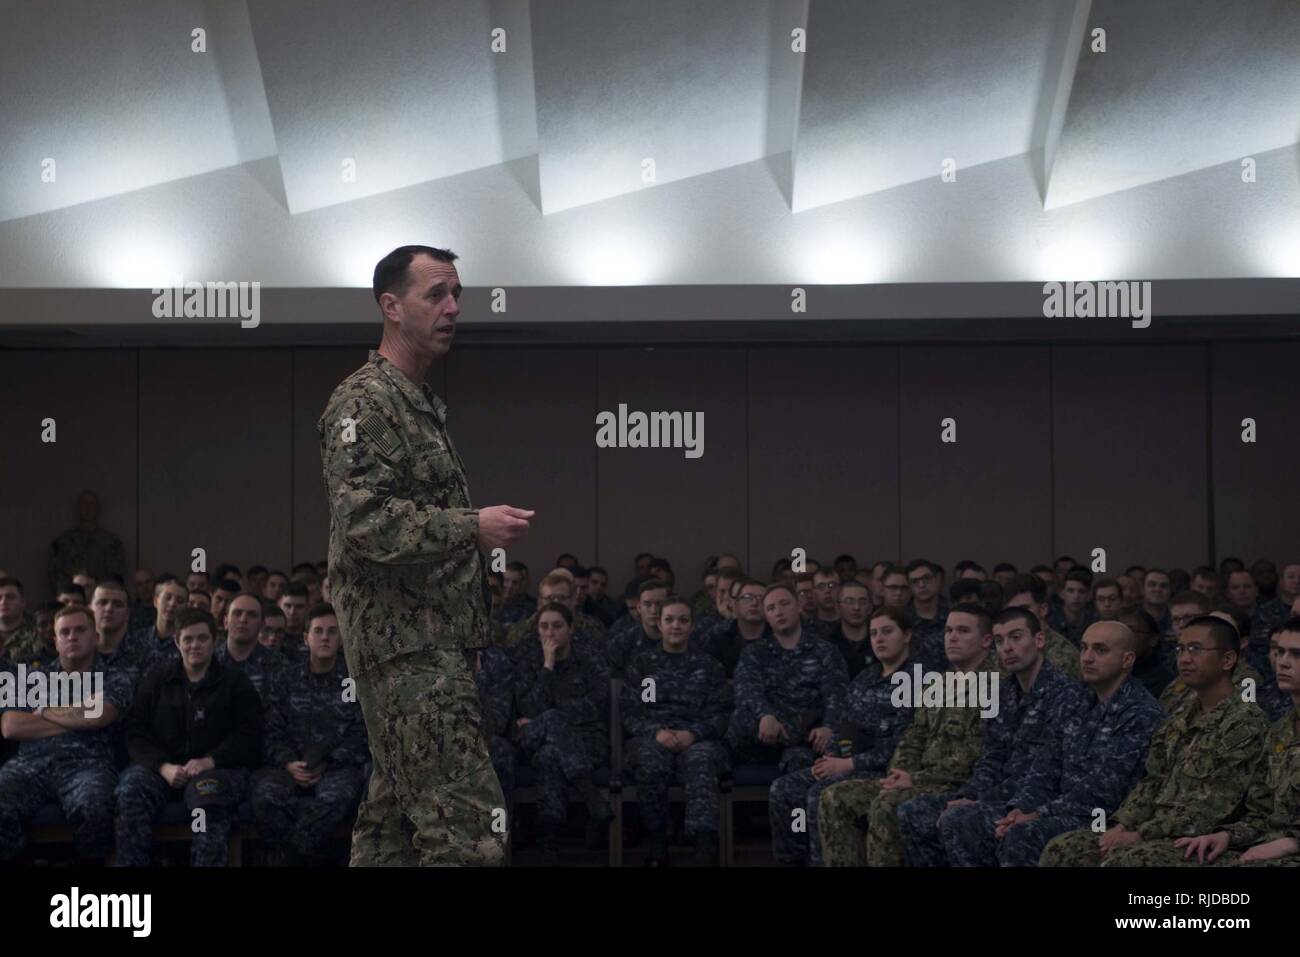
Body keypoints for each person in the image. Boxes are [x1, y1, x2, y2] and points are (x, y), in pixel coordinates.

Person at [319, 244, 532, 866]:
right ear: (391, 306)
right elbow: (363, 523)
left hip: (429, 647)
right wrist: (471, 526)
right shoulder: (364, 403)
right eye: (435, 294)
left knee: (390, 833)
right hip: (409, 653)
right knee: (471, 835)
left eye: (456, 294)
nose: (453, 307)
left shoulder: (415, 402)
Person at [1040, 616, 1268, 866]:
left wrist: (1140, 834)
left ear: (1227, 659)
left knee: (1128, 860)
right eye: (1180, 649)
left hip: (1202, 839)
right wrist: (1123, 824)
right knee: (1065, 848)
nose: (1184, 658)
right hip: (1157, 829)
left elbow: (1211, 808)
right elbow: (1152, 781)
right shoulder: (1180, 717)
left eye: (1195, 649)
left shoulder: (1244, 723)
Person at [943, 621, 1162, 866]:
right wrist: (1021, 808)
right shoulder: (1078, 702)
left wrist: (1037, 814)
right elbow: (1046, 767)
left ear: (1127, 660)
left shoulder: (1140, 713)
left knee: (1022, 834)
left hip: (1102, 818)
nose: (1087, 658)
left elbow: (1103, 792)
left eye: (1100, 650)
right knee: (961, 820)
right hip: (1058, 809)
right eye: (1084, 648)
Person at [896, 607, 1081, 867]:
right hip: (1001, 794)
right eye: (1000, 640)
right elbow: (992, 756)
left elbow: (1047, 770)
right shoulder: (1003, 693)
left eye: (1016, 637)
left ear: (1039, 640)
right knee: (912, 812)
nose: (1007, 647)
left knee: (959, 820)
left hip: (1037, 800)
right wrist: (971, 794)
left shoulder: (1066, 695)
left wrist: (988, 802)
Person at [818, 605, 1000, 866]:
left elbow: (972, 757)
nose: (952, 637)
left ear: (986, 640)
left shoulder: (996, 685)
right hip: (917, 779)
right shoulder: (940, 682)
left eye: (963, 631)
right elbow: (914, 735)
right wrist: (899, 772)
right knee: (834, 797)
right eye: (948, 630)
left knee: (886, 805)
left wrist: (913, 779)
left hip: (958, 785)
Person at [767, 607, 920, 866]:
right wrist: (832, 755)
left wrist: (848, 764)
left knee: (818, 794)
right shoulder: (865, 677)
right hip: (846, 762)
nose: (879, 639)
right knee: (784, 790)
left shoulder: (917, 679)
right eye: (873, 633)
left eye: (887, 631)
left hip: (884, 770)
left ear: (906, 635)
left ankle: (821, 861)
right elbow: (844, 724)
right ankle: (795, 857)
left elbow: (903, 742)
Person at [114, 608, 263, 867]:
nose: (195, 645)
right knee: (130, 792)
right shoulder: (156, 680)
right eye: (188, 639)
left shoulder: (235, 683)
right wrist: (163, 766)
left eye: (202, 638)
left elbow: (250, 736)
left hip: (217, 770)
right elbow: (136, 733)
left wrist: (211, 761)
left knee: (208, 806)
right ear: (177, 642)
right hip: (161, 769)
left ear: (214, 640)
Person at [0, 605, 130, 862]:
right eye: (65, 632)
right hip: (29, 766)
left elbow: (100, 715)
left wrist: (40, 709)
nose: (72, 637)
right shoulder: (30, 678)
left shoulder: (116, 675)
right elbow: (11, 726)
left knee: (95, 808)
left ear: (95, 637)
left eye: (80, 630)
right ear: (55, 641)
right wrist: (78, 717)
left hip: (88, 766)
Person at [252, 603, 368, 865]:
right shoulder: (286, 677)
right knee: (265, 796)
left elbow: (360, 733)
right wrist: (288, 763)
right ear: (306, 638)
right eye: (318, 631)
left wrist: (329, 763)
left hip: (335, 768)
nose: (325, 637)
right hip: (287, 767)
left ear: (341, 638)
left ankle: (290, 856)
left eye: (331, 632)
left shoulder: (352, 682)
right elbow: (271, 729)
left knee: (339, 798)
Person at [622, 596, 731, 865]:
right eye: (669, 619)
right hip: (653, 737)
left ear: (692, 626)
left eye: (683, 620)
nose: (676, 626)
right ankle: (657, 841)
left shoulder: (709, 666)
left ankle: (704, 845)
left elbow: (721, 714)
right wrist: (657, 732)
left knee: (701, 760)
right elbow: (631, 713)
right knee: (648, 760)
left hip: (698, 739)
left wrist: (693, 733)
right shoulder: (643, 665)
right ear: (659, 624)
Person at [510, 602, 611, 864]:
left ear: (571, 628)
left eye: (557, 626)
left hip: (586, 740)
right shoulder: (528, 661)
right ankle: (592, 798)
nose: (550, 633)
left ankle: (549, 844)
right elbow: (526, 706)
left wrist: (544, 717)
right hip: (534, 739)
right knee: (551, 723)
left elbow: (594, 707)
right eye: (544, 626)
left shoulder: (589, 660)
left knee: (549, 756)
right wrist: (548, 666)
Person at [726, 584, 848, 772]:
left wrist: (828, 727)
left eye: (784, 604)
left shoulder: (824, 651)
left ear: (799, 606)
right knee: (741, 718)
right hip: (762, 738)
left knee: (800, 756)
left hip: (810, 741)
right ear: (766, 616)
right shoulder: (755, 652)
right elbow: (746, 691)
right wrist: (765, 715)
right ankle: (797, 732)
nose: (779, 612)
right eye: (771, 608)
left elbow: (836, 695)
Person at [47, 490, 127, 596]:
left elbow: (116, 575)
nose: (88, 508)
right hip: (70, 598)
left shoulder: (111, 542)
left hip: (102, 597)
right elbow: (56, 574)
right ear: (78, 508)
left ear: (97, 509)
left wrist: (95, 587)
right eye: (84, 504)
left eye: (91, 504)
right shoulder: (63, 542)